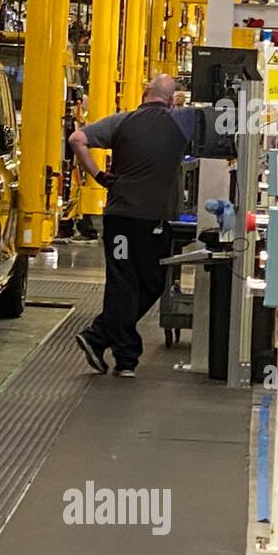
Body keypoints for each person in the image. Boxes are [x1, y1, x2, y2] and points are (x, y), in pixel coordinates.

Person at [67, 73, 197, 378]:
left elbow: (77, 139)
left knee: (122, 282)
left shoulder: (121, 121)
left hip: (120, 217)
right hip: (154, 220)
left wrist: (98, 175)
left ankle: (102, 339)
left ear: (144, 92)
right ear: (171, 98)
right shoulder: (182, 123)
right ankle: (122, 354)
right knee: (152, 283)